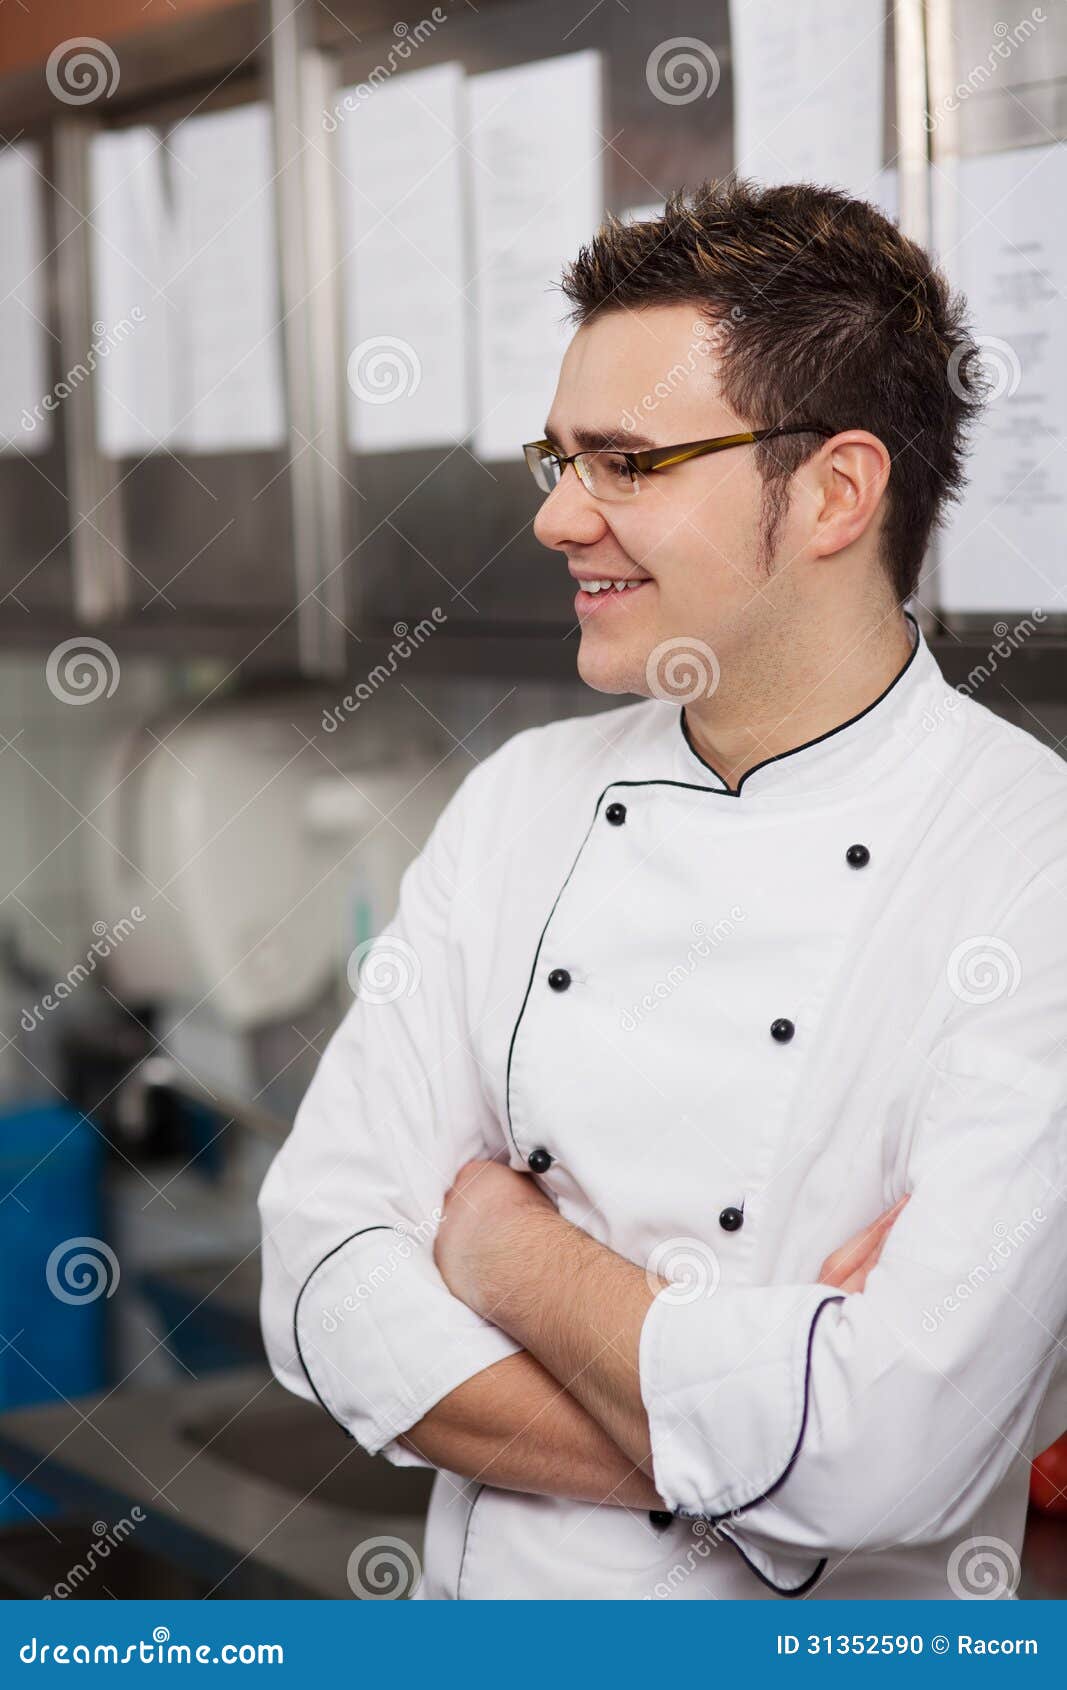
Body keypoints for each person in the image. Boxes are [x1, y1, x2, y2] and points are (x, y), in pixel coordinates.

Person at [258, 180, 1067, 1600]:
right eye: (559, 458)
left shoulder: (1028, 866)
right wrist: (768, 1432)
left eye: (628, 462)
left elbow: (893, 1454)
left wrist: (500, 1250)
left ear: (833, 492)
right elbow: (317, 1272)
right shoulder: (520, 800)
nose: (562, 518)